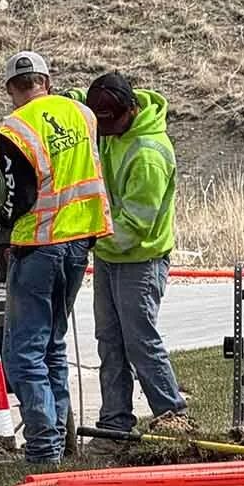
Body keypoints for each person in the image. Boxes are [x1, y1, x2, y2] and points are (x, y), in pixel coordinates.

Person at [0, 51, 112, 466]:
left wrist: (2, 217)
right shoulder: (83, 114)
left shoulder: (14, 129)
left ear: (10, 88)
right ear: (47, 79)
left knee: (25, 352)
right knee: (53, 343)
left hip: (39, 246)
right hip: (80, 242)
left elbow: (18, 194)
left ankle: (43, 449)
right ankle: (58, 440)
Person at [66, 72, 193, 440]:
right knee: (109, 341)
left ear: (131, 110)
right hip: (110, 258)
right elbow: (76, 99)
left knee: (139, 340)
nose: (103, 132)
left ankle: (172, 415)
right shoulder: (108, 127)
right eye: (98, 123)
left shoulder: (149, 155)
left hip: (140, 259)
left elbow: (135, 225)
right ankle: (115, 423)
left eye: (111, 123)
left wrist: (86, 240)